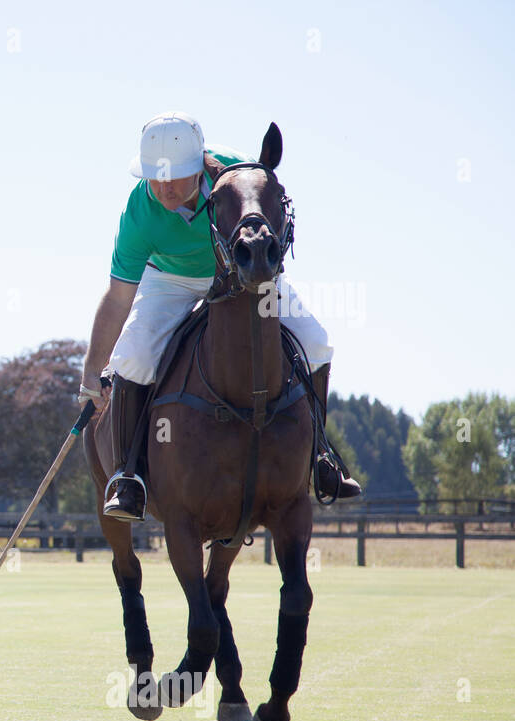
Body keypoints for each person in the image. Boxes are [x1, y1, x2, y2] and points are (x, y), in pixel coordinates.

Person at [80, 111, 360, 521]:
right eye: (155, 177)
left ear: (200, 166)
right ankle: (128, 477)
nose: (165, 187)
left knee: (317, 342)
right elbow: (120, 295)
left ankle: (320, 457)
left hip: (238, 270)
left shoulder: (236, 172)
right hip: (169, 279)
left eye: (175, 176)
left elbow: (269, 218)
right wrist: (91, 371)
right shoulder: (140, 209)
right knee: (133, 359)